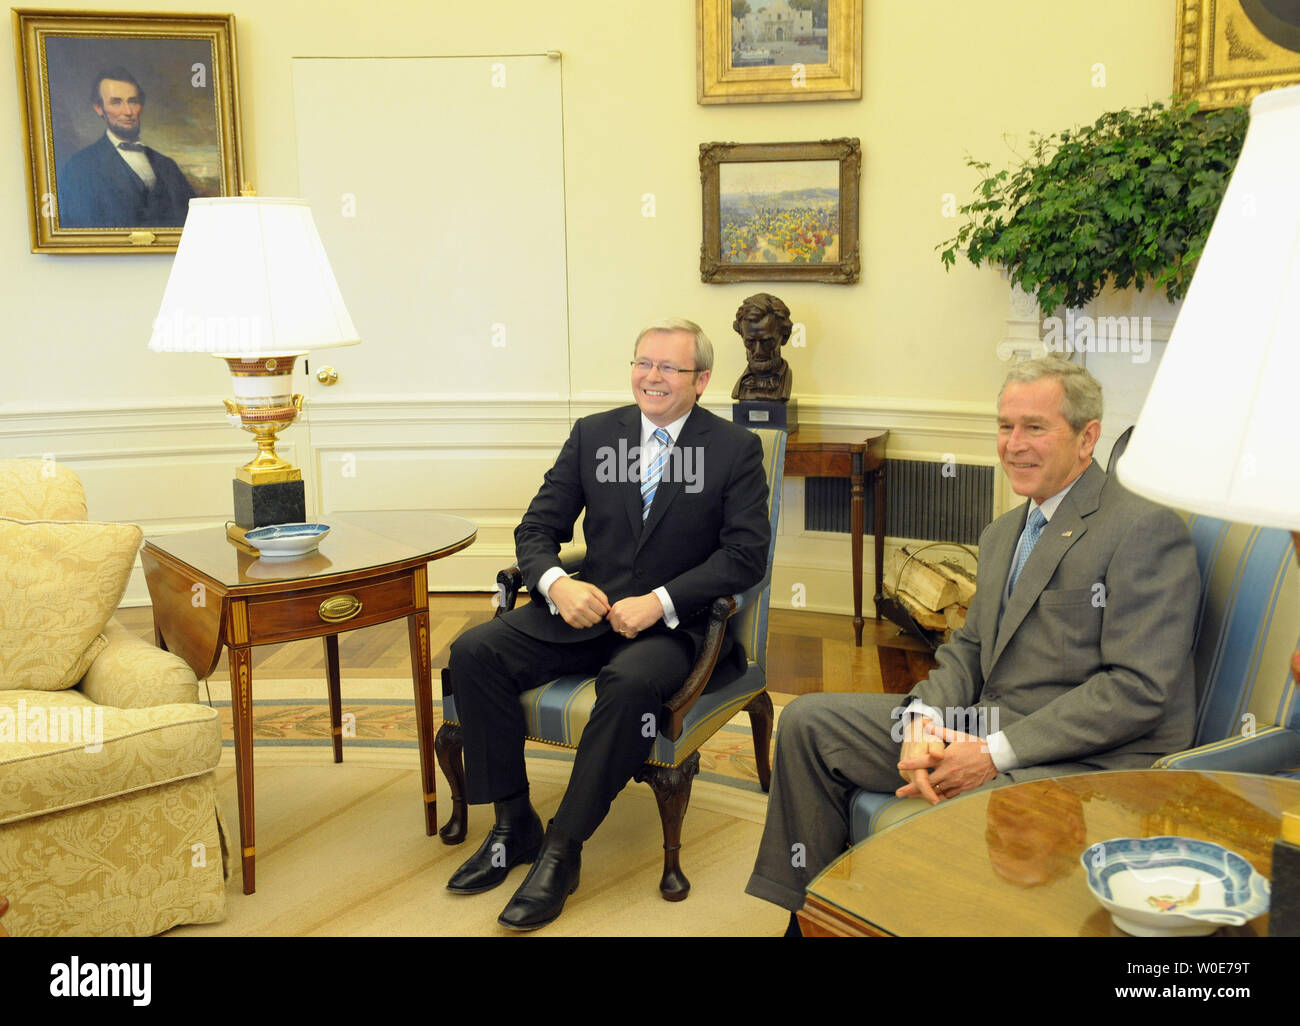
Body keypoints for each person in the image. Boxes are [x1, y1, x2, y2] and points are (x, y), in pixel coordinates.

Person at [745, 356, 1200, 933]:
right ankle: (809, 920)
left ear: (1088, 438)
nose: (1013, 444)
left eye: (1035, 427)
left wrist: (991, 753)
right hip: (980, 724)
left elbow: (1138, 688)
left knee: (953, 817)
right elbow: (967, 646)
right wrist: (923, 720)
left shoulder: (1142, 530)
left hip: (1080, 756)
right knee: (809, 723)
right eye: (1005, 426)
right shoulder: (1004, 531)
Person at [446, 318, 772, 931]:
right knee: (474, 653)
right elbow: (536, 528)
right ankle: (515, 823)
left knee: (628, 687)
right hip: (585, 613)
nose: (651, 377)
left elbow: (744, 556)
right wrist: (556, 584)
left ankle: (562, 851)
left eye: (669, 368)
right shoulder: (596, 435)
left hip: (676, 629)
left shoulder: (732, 449)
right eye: (643, 362)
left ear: (701, 380)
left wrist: (661, 601)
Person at [58, 68, 196, 229]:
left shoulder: (167, 165)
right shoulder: (79, 167)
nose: (128, 111)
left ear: (141, 106)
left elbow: (194, 224)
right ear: (98, 108)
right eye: (116, 102)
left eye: (133, 101)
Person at [731, 293, 794, 401]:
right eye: (750, 342)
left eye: (767, 342)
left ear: (784, 337)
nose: (758, 351)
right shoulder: (741, 386)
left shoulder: (785, 382)